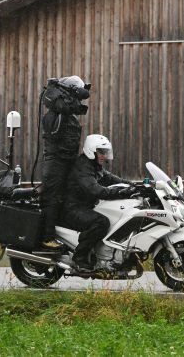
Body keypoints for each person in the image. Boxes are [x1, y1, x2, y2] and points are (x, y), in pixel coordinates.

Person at [62, 134, 131, 271]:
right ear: (91, 150)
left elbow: (112, 179)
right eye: (101, 152)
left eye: (105, 152)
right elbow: (95, 190)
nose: (104, 156)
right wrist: (121, 192)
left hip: (84, 206)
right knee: (101, 222)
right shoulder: (82, 167)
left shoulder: (94, 166)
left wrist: (135, 187)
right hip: (71, 208)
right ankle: (79, 258)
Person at [39, 75, 91, 249]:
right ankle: (47, 238)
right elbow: (62, 107)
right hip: (56, 163)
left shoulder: (67, 114)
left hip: (67, 161)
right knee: (52, 198)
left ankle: (68, 235)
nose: (78, 100)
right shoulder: (57, 112)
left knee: (72, 196)